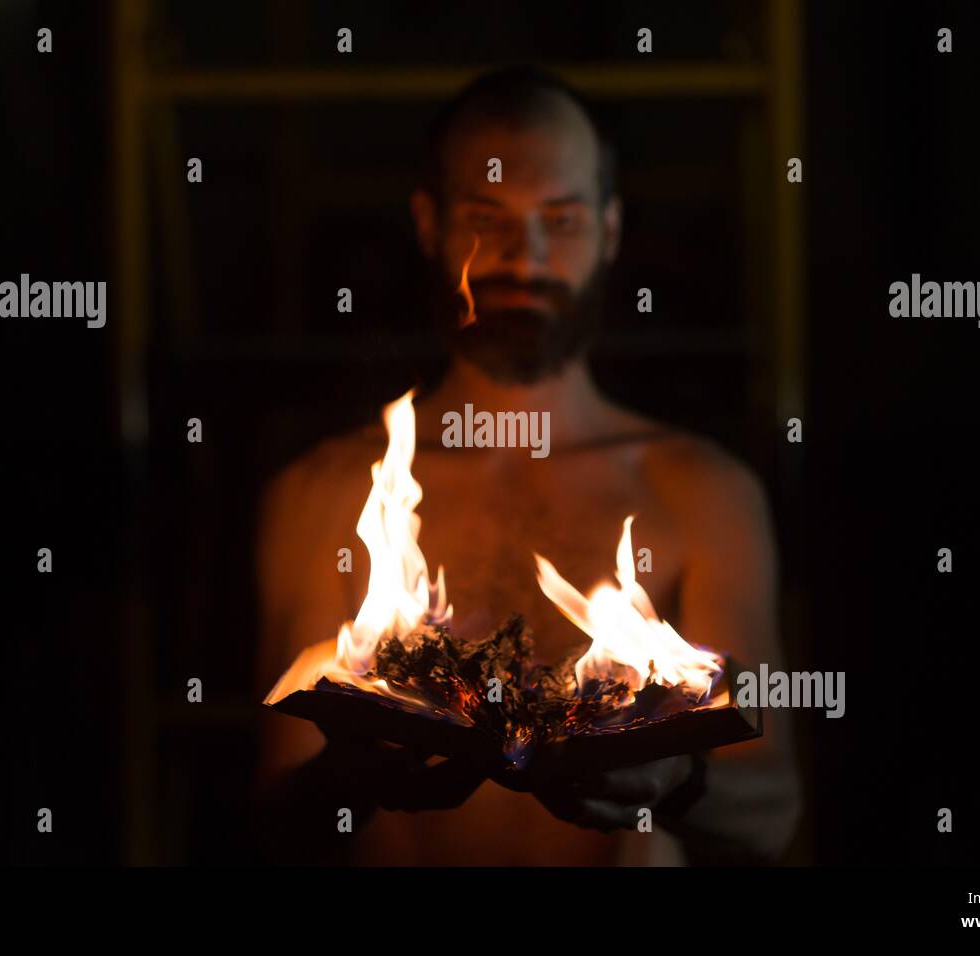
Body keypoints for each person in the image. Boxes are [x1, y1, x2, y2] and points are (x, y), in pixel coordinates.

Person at [253, 66, 801, 865]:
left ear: (611, 229)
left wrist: (676, 779)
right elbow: (269, 820)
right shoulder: (325, 493)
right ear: (429, 223)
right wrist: (348, 776)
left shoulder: (701, 492)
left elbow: (771, 814)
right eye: (487, 216)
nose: (525, 254)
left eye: (563, 216)